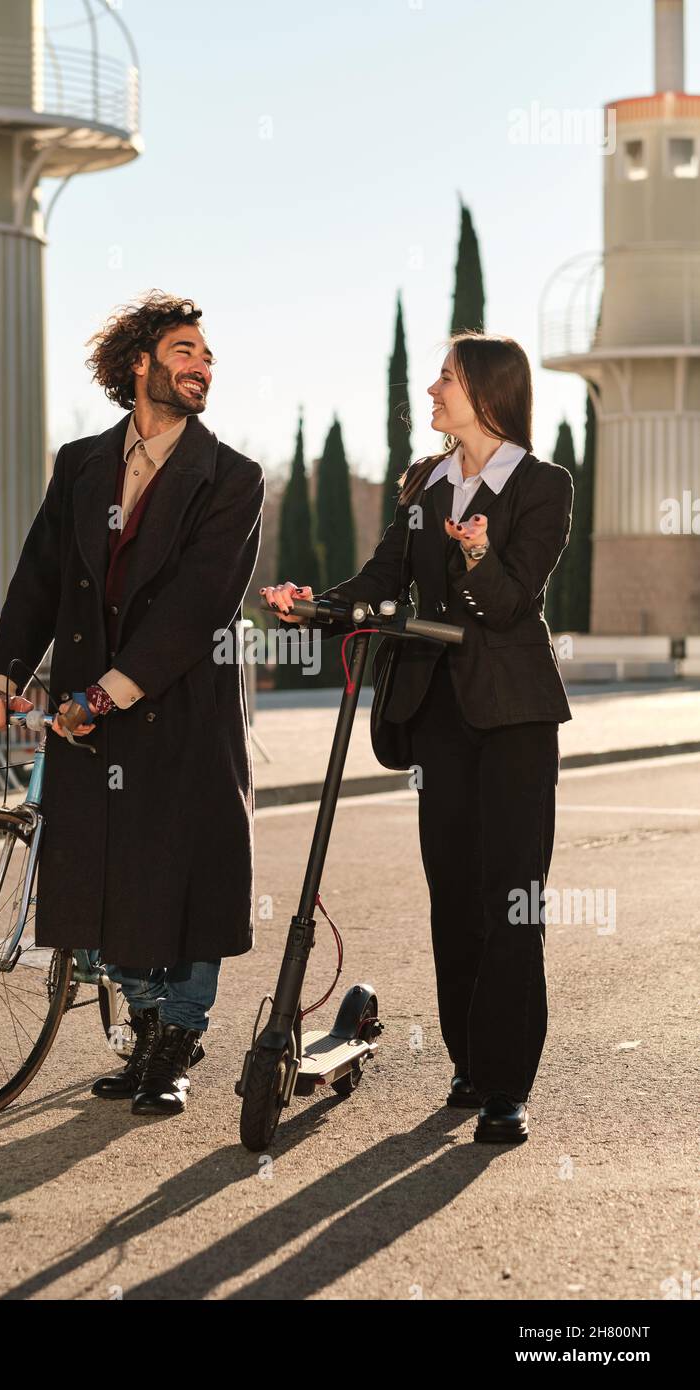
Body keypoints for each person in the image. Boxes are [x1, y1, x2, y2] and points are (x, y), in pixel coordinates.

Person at [262, 331, 573, 1145]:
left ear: (488, 392)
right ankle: (469, 1062)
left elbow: (510, 605)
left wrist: (475, 556)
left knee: (513, 897)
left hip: (513, 716)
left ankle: (508, 1085)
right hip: (436, 714)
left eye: (446, 379)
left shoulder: (543, 486)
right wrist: (315, 606)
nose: (432, 391)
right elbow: (380, 579)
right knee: (454, 897)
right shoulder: (424, 482)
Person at [0, 292, 265, 1116]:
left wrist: (108, 692)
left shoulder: (232, 477)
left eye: (208, 354)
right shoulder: (80, 464)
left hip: (179, 709)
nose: (201, 364)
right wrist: (3, 676)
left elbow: (200, 602)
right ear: (140, 364)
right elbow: (39, 579)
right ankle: (141, 1025)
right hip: (88, 714)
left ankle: (177, 1039)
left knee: (186, 873)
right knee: (106, 872)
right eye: (184, 350)